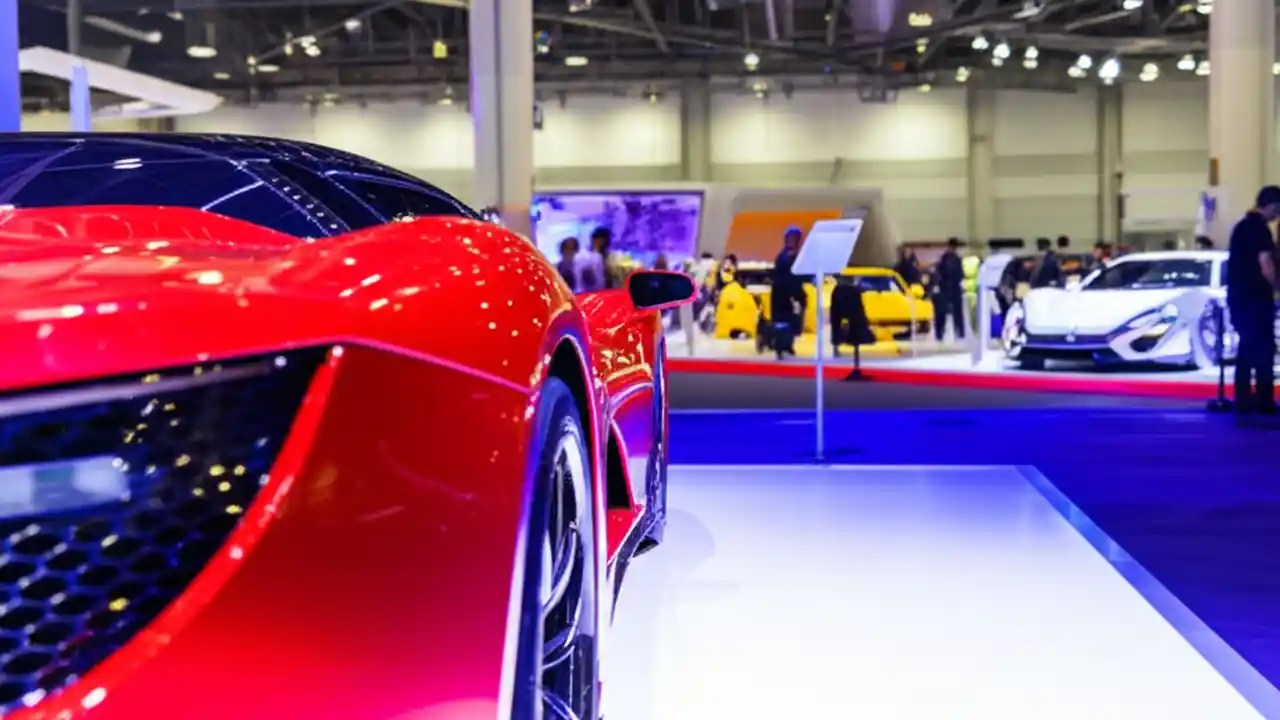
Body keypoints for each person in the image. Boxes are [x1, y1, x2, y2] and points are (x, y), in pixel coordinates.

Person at [1227, 186, 1280, 415]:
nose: (1276, 216)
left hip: (1239, 299)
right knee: (1264, 349)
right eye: (1277, 210)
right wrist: (1277, 286)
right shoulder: (1260, 229)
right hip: (1256, 299)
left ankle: (1243, 400)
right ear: (1271, 206)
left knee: (1247, 350)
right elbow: (1266, 263)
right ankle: (1264, 402)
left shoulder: (1240, 227)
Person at [770, 227, 807, 359]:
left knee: (789, 321)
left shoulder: (791, 256)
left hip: (788, 293)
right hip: (785, 294)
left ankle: (786, 345)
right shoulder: (786, 257)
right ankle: (781, 346)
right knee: (784, 320)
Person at [933, 237, 965, 342]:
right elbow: (959, 274)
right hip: (948, 288)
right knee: (946, 313)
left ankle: (956, 332)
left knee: (952, 313)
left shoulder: (947, 259)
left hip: (949, 288)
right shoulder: (949, 259)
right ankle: (954, 333)